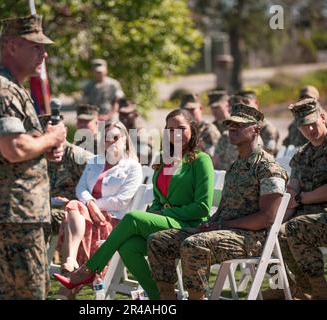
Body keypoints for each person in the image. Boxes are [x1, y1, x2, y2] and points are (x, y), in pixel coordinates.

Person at [54, 109, 215, 300]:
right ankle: (160, 298)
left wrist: (165, 214)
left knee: (132, 218)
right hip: (166, 225)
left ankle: (87, 270)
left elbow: (203, 207)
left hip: (189, 226)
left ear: (193, 129)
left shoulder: (201, 160)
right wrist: (159, 211)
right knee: (128, 247)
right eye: (170, 129)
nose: (175, 134)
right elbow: (159, 200)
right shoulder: (165, 158)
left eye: (181, 128)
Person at [0, 14, 66, 300]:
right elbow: (14, 149)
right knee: (28, 294)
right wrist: (52, 137)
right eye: (35, 46)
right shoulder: (2, 90)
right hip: (14, 213)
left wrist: (46, 147)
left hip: (18, 211)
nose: (44, 53)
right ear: (11, 46)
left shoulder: (13, 89)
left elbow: (20, 147)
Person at [147, 104, 287, 300]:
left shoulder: (268, 168)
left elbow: (266, 218)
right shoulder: (235, 167)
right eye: (230, 125)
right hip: (223, 231)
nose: (232, 129)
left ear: (256, 129)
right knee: (159, 240)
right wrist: (211, 224)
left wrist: (221, 225)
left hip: (252, 238)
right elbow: (224, 208)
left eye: (239, 125)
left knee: (194, 244)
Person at [269, 98, 327, 300]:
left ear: (323, 118)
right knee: (276, 233)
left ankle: (320, 293)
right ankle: (309, 288)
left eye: (313, 123)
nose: (310, 129)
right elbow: (292, 191)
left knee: (295, 228)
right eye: (304, 126)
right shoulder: (302, 154)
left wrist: (301, 198)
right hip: (308, 215)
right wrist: (276, 220)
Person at [54, 120, 142, 299]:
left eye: (115, 137)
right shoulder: (95, 161)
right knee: (74, 207)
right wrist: (90, 203)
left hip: (111, 220)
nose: (110, 141)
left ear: (125, 139)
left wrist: (94, 205)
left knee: (73, 209)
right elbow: (81, 189)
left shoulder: (133, 167)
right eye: (106, 138)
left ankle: (68, 280)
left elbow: (121, 201)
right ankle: (70, 271)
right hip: (86, 214)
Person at [235, 90, 280, 156]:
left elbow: (268, 153)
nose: (243, 107)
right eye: (239, 104)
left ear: (256, 103)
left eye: (246, 102)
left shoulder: (268, 129)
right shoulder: (235, 126)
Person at [179, 93, 221, 158]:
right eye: (186, 110)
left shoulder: (209, 130)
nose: (188, 113)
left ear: (200, 109)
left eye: (192, 109)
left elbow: (214, 158)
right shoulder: (178, 130)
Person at [118, 99, 154, 165]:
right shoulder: (119, 131)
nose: (123, 117)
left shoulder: (142, 133)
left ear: (135, 114)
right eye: (121, 114)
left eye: (127, 114)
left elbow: (144, 155)